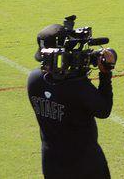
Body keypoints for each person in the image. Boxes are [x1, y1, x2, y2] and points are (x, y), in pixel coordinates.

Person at [27, 23, 116, 178]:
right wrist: (105, 74)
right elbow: (103, 110)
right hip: (86, 165)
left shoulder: (33, 79)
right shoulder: (77, 87)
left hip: (51, 163)